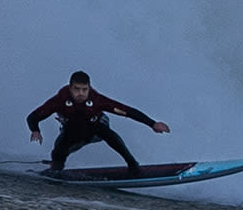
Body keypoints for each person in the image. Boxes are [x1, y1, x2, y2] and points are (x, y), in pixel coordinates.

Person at [27, 70, 168, 173]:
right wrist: (35, 130)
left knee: (106, 132)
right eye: (76, 89)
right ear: (70, 88)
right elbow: (33, 117)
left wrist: (152, 124)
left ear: (89, 88)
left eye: (84, 89)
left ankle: (133, 165)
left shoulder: (97, 100)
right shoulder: (60, 100)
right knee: (59, 149)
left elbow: (127, 111)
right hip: (74, 133)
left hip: (95, 130)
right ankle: (57, 168)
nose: (81, 93)